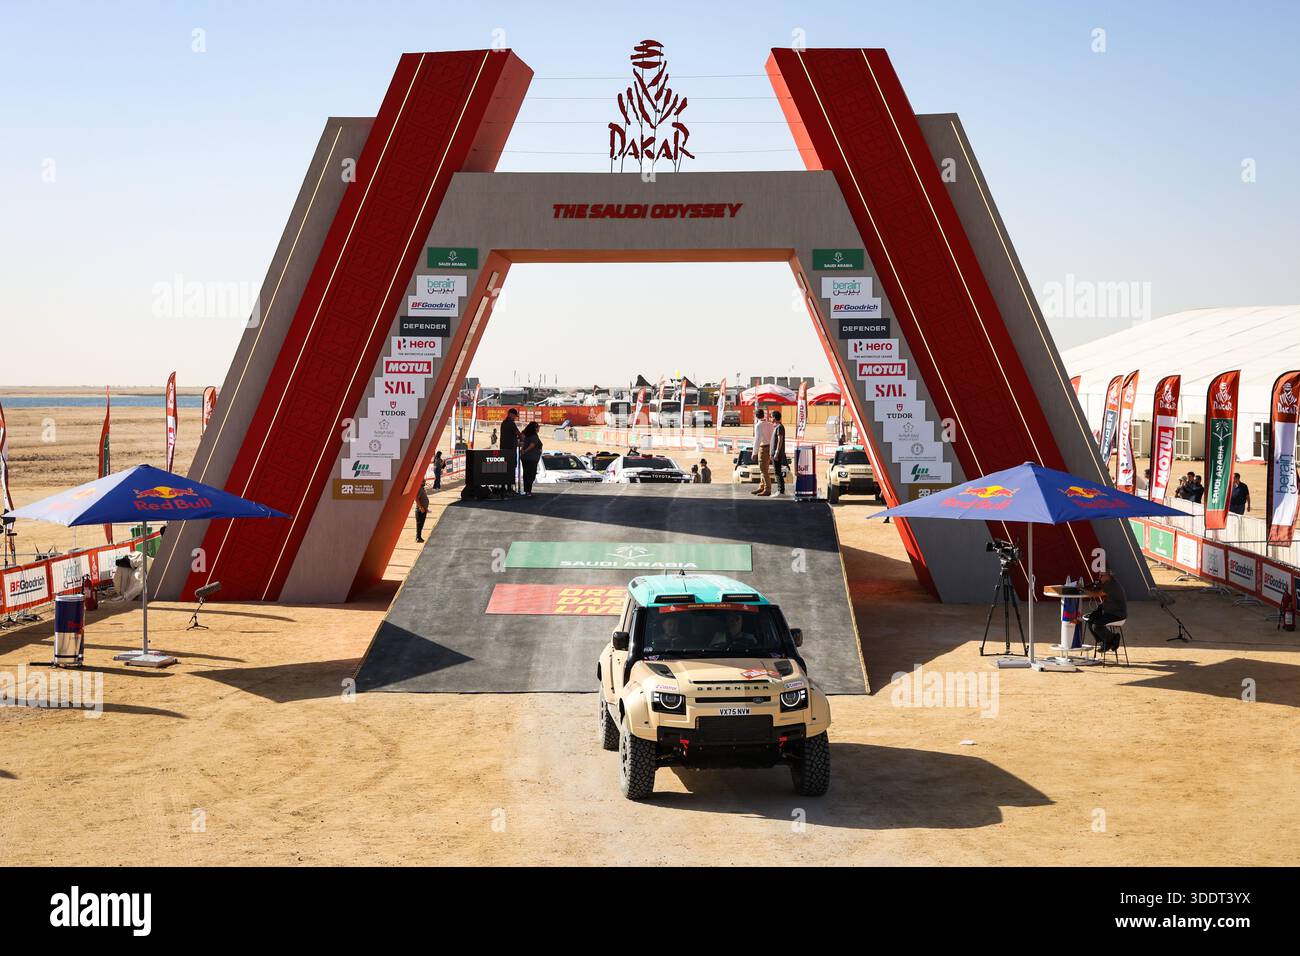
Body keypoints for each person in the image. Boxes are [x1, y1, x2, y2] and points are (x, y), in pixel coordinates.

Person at [1086, 569, 1128, 652]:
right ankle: (1105, 641)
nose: (1099, 577)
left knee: (1096, 626)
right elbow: (1096, 589)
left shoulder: (1111, 586)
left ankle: (1113, 638)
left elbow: (1094, 594)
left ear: (1108, 576)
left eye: (1101, 576)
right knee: (1091, 620)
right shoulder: (1109, 582)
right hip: (1110, 611)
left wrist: (1082, 589)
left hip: (1117, 614)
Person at [752, 408, 774, 497]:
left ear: (756, 416)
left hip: (763, 448)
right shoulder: (770, 424)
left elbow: (757, 440)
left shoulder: (758, 425)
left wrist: (754, 452)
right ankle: (762, 486)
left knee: (763, 470)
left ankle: (767, 489)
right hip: (770, 447)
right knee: (765, 469)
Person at [499, 408, 521, 493]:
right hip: (511, 450)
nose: (515, 417)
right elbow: (518, 434)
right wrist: (522, 438)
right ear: (511, 414)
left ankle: (503, 487)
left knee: (504, 469)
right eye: (515, 416)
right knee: (511, 468)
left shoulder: (503, 423)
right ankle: (509, 488)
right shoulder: (511, 424)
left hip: (503, 449)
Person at [520, 421, 543, 497]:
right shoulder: (534, 436)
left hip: (526, 458)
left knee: (526, 474)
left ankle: (527, 490)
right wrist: (525, 451)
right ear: (535, 428)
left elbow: (523, 442)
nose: (539, 428)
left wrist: (523, 450)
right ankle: (528, 491)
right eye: (538, 427)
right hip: (531, 458)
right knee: (531, 475)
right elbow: (532, 445)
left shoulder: (527, 435)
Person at [771, 410, 788, 495]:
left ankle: (780, 490)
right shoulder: (776, 427)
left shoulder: (780, 427)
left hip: (777, 454)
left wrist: (777, 452)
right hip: (774, 453)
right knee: (777, 471)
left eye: (771, 417)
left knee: (777, 472)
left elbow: (780, 440)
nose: (771, 418)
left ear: (774, 417)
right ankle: (780, 489)